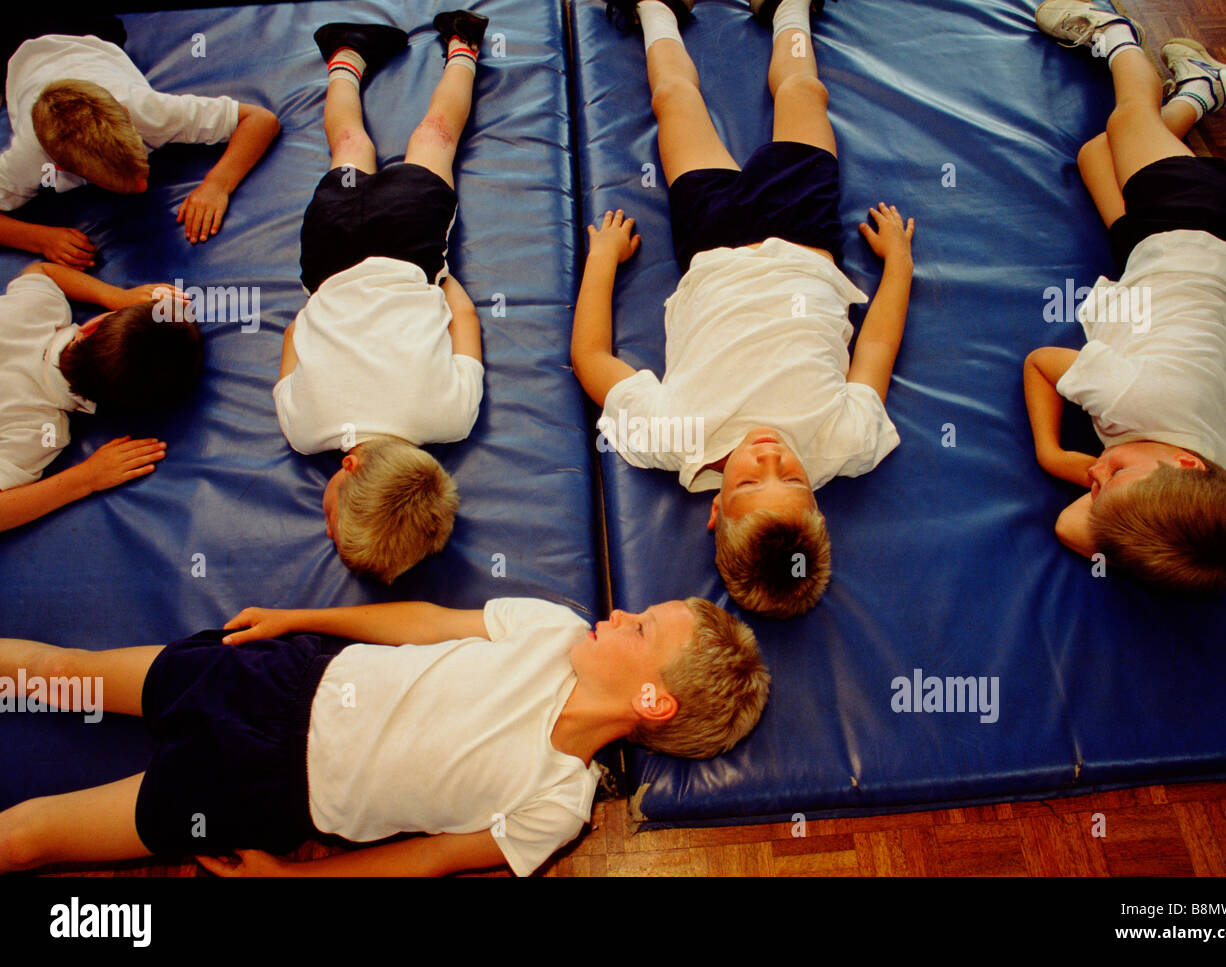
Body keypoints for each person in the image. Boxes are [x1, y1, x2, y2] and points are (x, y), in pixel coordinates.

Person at [0, 594, 769, 876]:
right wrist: (302, 619)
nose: (618, 615)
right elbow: (425, 623)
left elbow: (430, 856)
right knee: (58, 669)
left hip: (263, 789)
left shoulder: (556, 804)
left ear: (651, 700)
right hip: (277, 679)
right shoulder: (552, 627)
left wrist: (294, 883)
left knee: (31, 835)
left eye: (641, 628)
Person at [572, 0, 915, 619]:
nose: (770, 459)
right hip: (803, 234)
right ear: (817, 503)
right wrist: (899, 266)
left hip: (713, 238)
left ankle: (655, 11)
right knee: (805, 90)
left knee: (674, 103)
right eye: (794, 480)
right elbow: (875, 348)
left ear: (714, 509)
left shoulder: (673, 439)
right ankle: (789, 12)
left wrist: (602, 259)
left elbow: (591, 358)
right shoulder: (846, 442)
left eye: (750, 484)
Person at [1024, 1, 1226, 593]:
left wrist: (1115, 490)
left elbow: (1078, 527)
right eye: (1112, 476)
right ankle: (1118, 38)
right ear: (1184, 465)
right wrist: (1054, 454)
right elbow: (1040, 363)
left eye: (1096, 486)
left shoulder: (1214, 471)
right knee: (1128, 117)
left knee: (1095, 156)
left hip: (1191, 255)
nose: (1095, 472)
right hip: (1190, 222)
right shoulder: (1126, 398)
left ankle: (1204, 92)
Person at [275, 15, 489, 583]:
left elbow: (464, 318)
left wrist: (438, 275)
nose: (325, 524)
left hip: (407, 246)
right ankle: (345, 55)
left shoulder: (450, 419)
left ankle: (463, 44)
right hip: (330, 256)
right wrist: (320, 305)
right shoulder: (302, 430)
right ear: (348, 465)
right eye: (332, 515)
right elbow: (295, 335)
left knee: (433, 139)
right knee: (347, 148)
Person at [0, 29, 280, 264]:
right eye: (115, 183)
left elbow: (260, 119)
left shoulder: (146, 110)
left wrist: (217, 185)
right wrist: (38, 239)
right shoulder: (29, 158)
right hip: (16, 55)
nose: (141, 186)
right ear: (59, 167)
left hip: (89, 34)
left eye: (141, 165)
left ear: (126, 115)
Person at [0, 262, 197, 531]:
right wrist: (85, 479)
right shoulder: (39, 430)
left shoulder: (38, 309)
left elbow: (41, 270)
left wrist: (116, 296)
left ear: (93, 325)